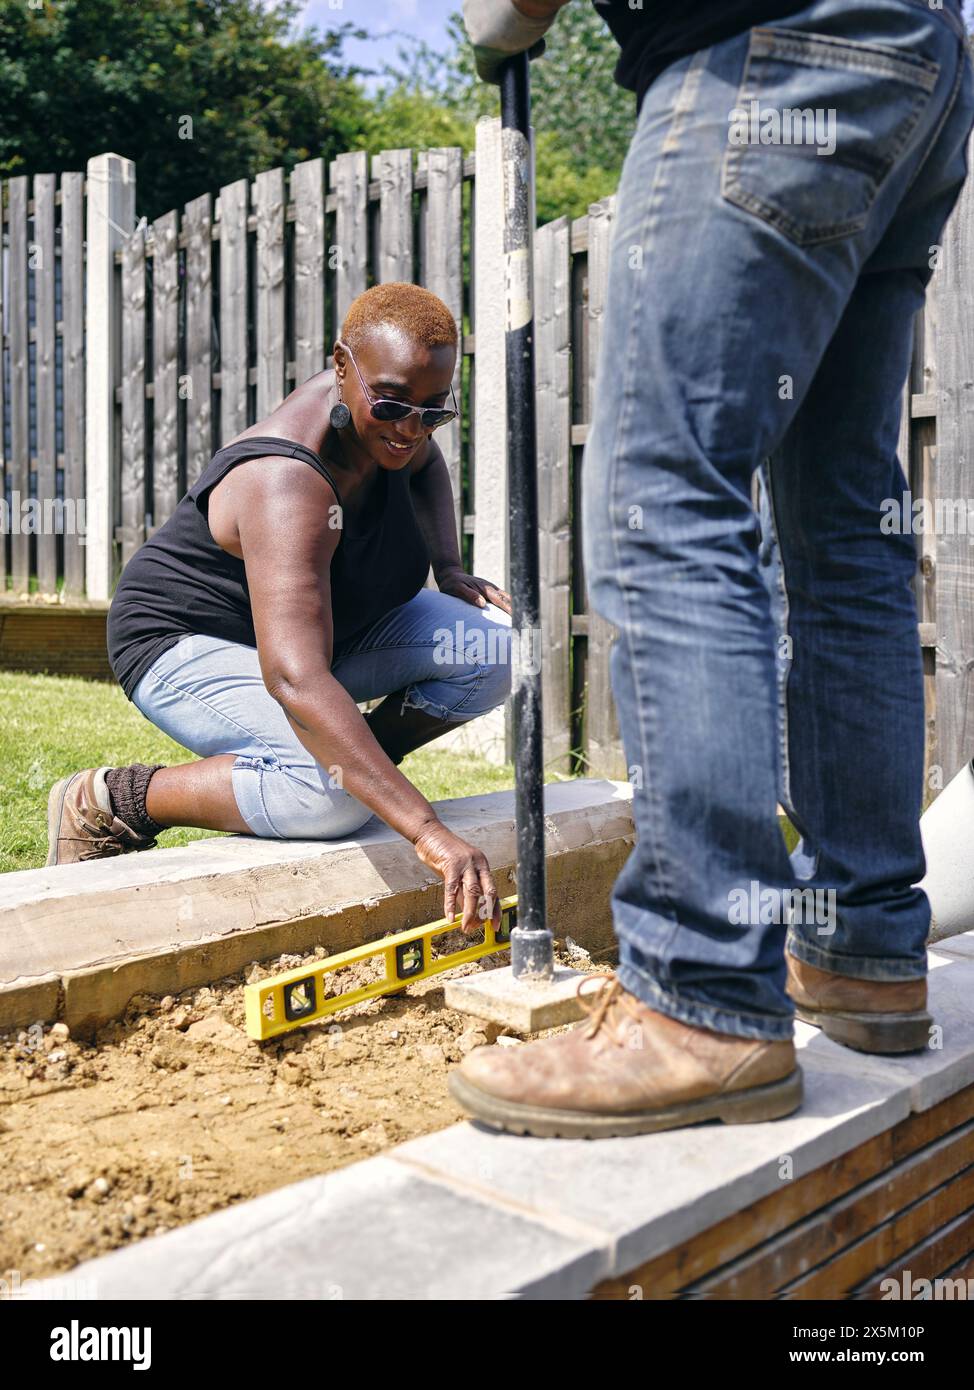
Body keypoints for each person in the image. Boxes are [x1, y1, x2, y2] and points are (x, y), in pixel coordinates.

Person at [451, 0, 974, 1136]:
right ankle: (861, 946)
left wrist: (494, 27)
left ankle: (700, 996)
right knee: (843, 525)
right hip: (916, 56)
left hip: (763, 46)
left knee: (665, 491)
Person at [48, 282, 512, 936]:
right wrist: (427, 831)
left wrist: (451, 567)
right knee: (325, 796)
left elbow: (426, 462)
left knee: (493, 648)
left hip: (320, 636)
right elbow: (294, 678)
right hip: (183, 641)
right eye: (394, 405)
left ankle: (354, 767)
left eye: (434, 410)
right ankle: (112, 798)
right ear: (341, 365)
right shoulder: (286, 480)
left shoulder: (390, 420)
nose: (410, 429)